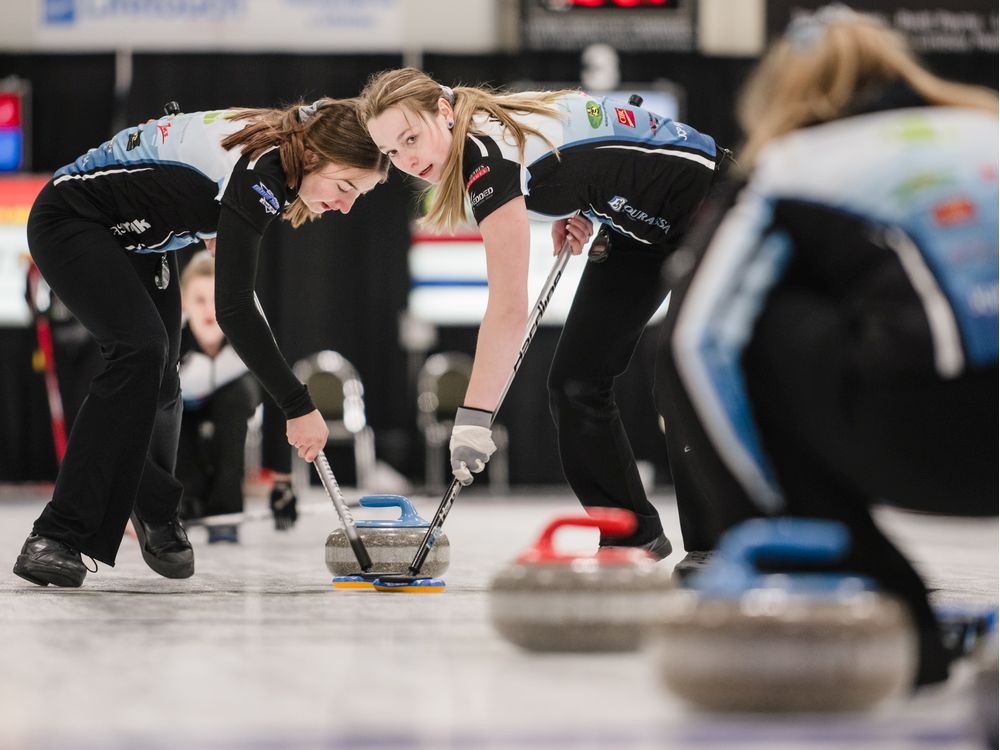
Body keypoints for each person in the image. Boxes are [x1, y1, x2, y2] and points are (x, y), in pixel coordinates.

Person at [654, 4, 997, 688]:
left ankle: (888, 607)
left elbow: (694, 341)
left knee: (744, 317)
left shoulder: (793, 163)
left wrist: (759, 514)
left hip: (920, 441)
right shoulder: (989, 127)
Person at [13, 98, 388, 588]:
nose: (345, 205)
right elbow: (232, 309)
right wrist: (297, 405)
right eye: (345, 186)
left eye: (359, 194)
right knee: (140, 349)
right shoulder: (263, 171)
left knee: (162, 375)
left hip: (142, 241)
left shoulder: (280, 147)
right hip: (72, 219)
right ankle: (58, 534)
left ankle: (152, 507)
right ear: (314, 156)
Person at [361, 69, 732, 557]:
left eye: (411, 137)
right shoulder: (489, 122)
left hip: (713, 208)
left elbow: (510, 305)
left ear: (444, 113)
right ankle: (632, 537)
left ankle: (715, 549)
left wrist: (474, 417)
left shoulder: (484, 155)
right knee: (575, 382)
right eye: (391, 152)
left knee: (680, 376)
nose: (407, 159)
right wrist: (588, 203)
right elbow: (584, 126)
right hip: (641, 232)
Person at [176, 250, 261, 543]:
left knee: (238, 395)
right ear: (184, 302)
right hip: (182, 405)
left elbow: (277, 400)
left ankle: (226, 511)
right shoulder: (170, 338)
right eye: (199, 300)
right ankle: (185, 500)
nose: (209, 311)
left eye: (216, 300)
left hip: (228, 399)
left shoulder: (248, 334)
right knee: (165, 412)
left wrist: (283, 476)